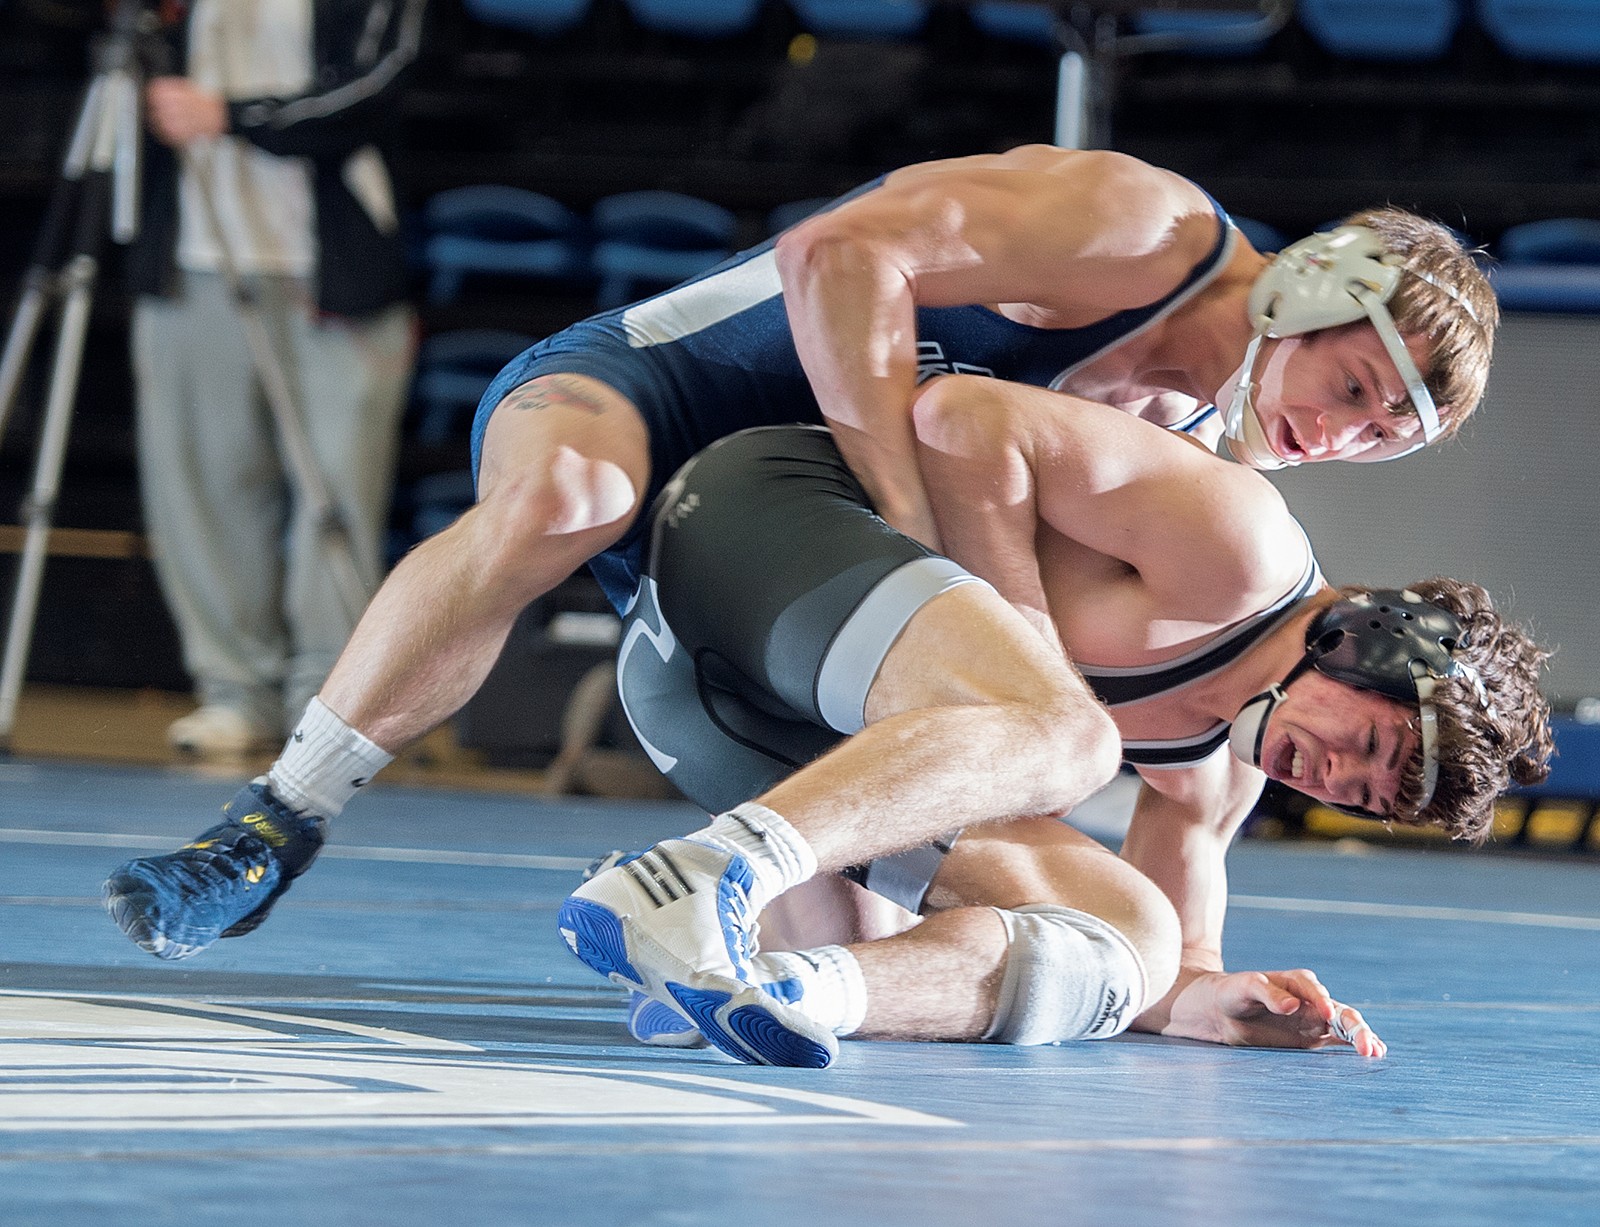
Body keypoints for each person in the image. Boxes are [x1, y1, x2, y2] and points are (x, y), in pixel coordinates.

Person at [103, 145, 1496, 964]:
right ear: (1317, 287)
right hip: (678, 391)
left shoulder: (1200, 442)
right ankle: (278, 815)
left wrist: (1187, 971)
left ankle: (725, 897)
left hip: (796, 535)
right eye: (1360, 384)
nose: (1348, 435)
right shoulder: (1147, 234)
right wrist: (909, 518)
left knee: (865, 950)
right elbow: (841, 254)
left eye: (1389, 434)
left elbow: (1194, 806)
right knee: (563, 501)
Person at [560, 384, 1550, 1067]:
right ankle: (693, 880)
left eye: (1353, 795)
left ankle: (768, 984)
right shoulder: (1242, 549)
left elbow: (1168, 970)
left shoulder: (1214, 778)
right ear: (1365, 641)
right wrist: (1027, 644)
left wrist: (1210, 1005)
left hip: (735, 728)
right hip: (757, 539)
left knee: (1131, 937)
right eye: (1365, 745)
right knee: (1073, 736)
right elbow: (963, 418)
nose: (1325, 774)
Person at [125, 0, 425, 757]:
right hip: (193, 255)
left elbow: (378, 84)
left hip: (332, 266)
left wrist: (232, 114)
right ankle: (235, 689)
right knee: (205, 485)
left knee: (338, 489)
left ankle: (327, 699)